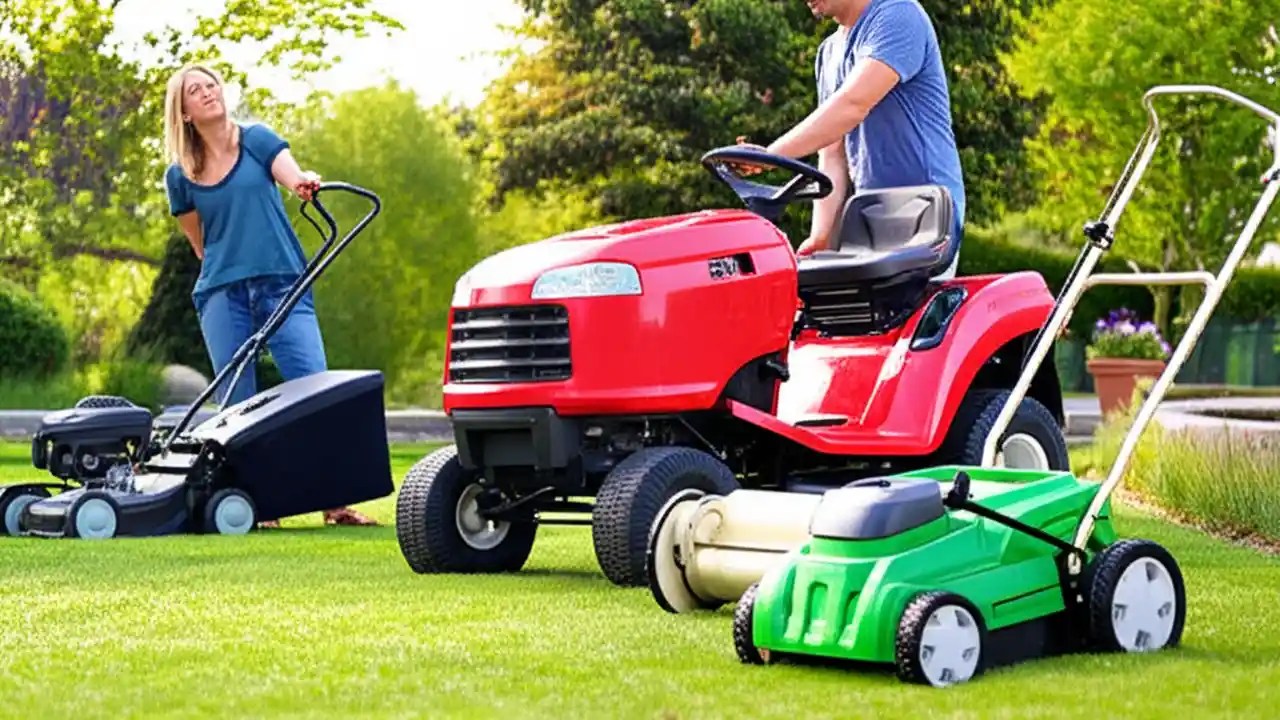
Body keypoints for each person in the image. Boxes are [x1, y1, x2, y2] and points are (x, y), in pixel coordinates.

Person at [161, 63, 376, 528]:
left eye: (210, 84)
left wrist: (305, 183)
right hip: (222, 293)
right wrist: (229, 269)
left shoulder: (256, 139)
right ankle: (255, 505)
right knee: (239, 405)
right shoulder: (180, 174)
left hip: (283, 282)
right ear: (183, 111)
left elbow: (292, 175)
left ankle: (336, 503)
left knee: (315, 388)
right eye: (194, 91)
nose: (206, 93)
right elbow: (199, 243)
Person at [744, 0, 966, 277]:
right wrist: (821, 237)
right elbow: (832, 151)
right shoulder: (829, 52)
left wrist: (771, 155)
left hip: (927, 215)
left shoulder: (898, 16)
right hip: (871, 216)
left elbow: (852, 105)